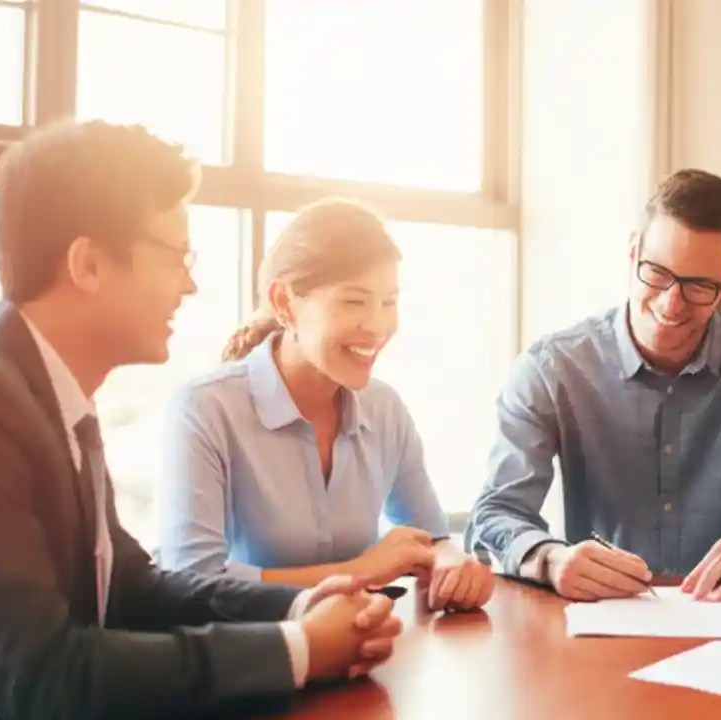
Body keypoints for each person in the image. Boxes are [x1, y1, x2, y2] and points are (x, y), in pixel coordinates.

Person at [0, 121, 400, 719]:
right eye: (176, 257)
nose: (190, 283)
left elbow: (131, 588)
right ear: (89, 264)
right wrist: (299, 649)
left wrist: (299, 606)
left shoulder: (50, 394)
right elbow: (43, 676)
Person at [467, 168, 721, 601]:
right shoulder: (553, 367)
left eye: (698, 286)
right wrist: (550, 559)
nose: (670, 303)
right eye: (657, 272)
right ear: (632, 251)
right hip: (599, 619)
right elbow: (496, 513)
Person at [156, 198, 494, 612]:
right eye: (354, 301)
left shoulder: (385, 408)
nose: (377, 326)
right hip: (249, 662)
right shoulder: (205, 410)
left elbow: (431, 537)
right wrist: (359, 572)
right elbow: (189, 583)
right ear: (284, 302)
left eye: (388, 302)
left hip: (358, 652)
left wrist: (452, 564)